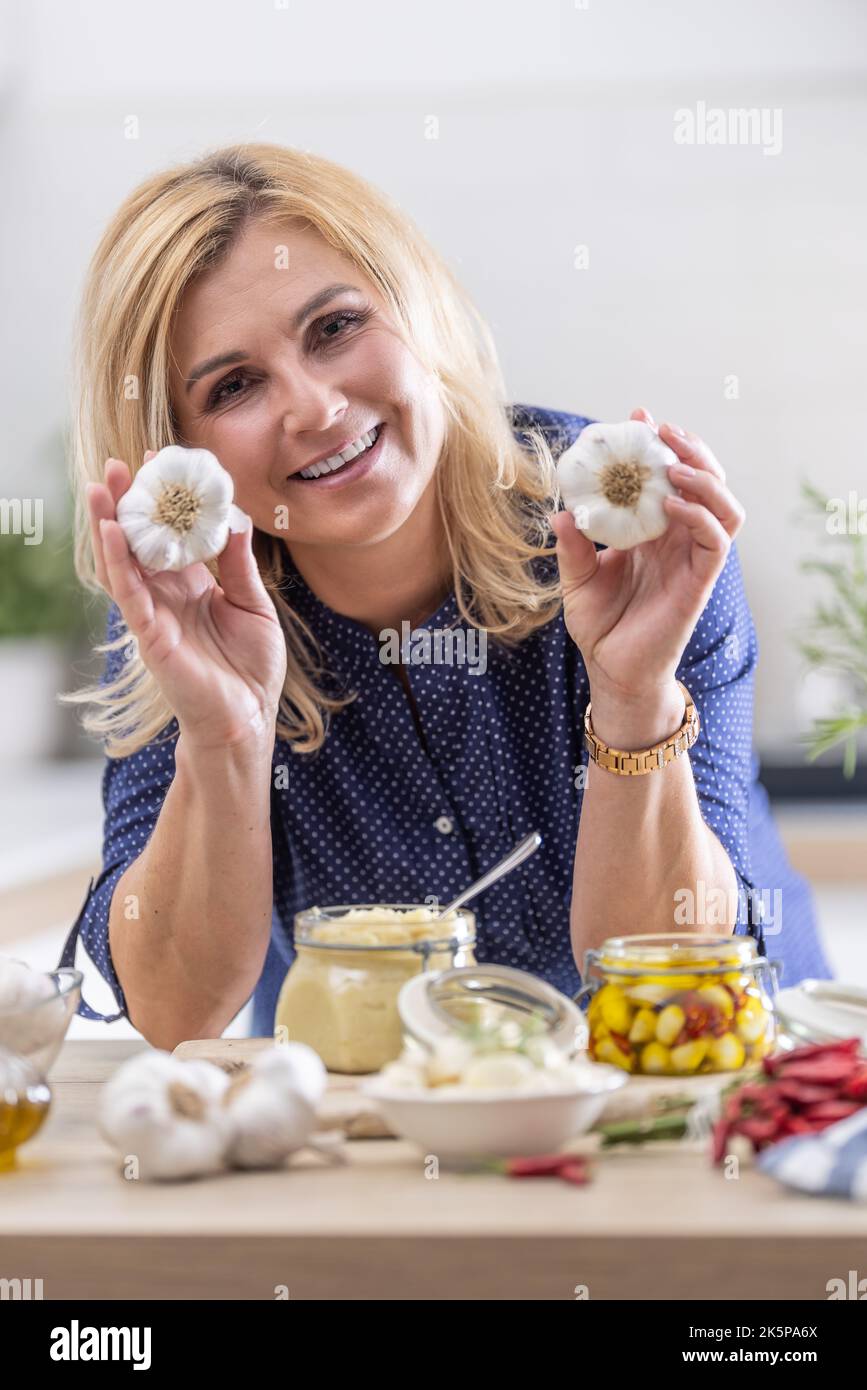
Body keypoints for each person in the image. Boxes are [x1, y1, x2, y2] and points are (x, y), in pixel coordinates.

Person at [59, 143, 832, 1050]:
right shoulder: (180, 617)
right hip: (371, 1127)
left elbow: (669, 982)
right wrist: (223, 738)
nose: (313, 408)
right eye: (234, 386)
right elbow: (171, 1007)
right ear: (180, 450)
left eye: (335, 327)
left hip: (699, 1087)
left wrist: (631, 699)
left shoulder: (631, 534)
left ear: (417, 309)